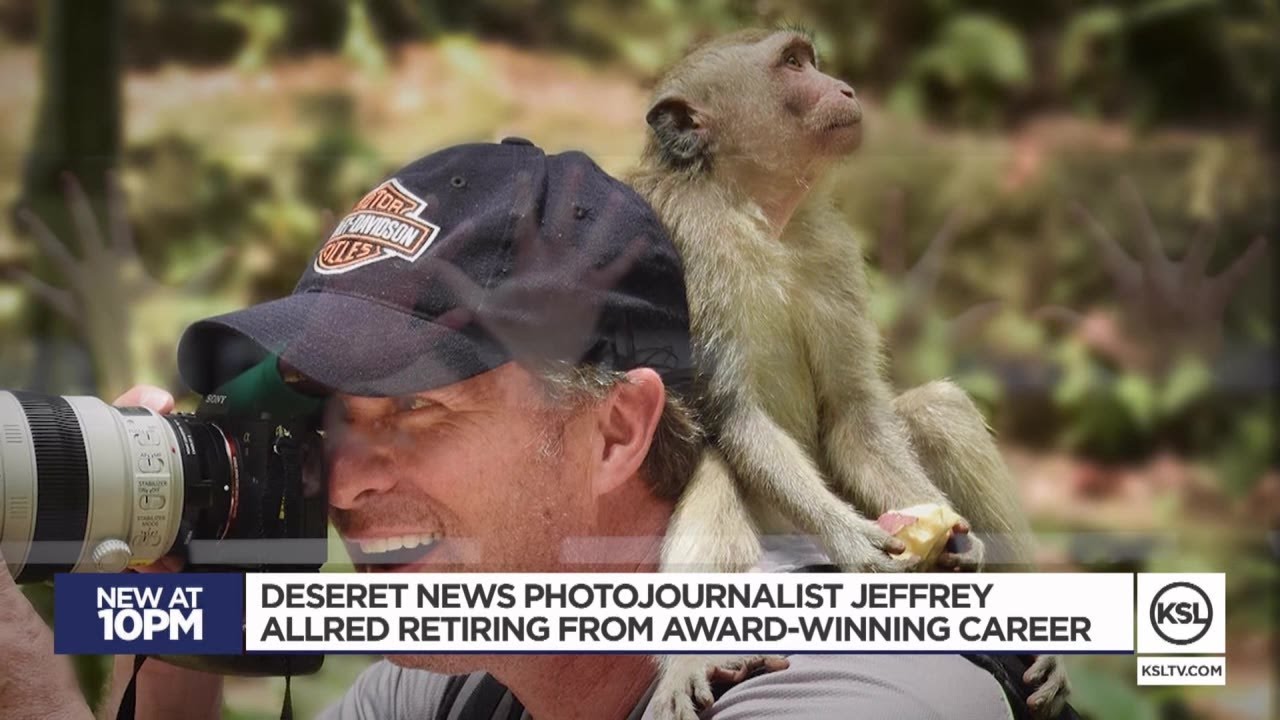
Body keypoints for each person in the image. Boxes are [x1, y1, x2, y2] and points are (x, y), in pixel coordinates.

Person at [0, 139, 1018, 720]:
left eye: (413, 409)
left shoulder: (850, 690)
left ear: (617, 430)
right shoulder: (462, 681)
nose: (342, 483)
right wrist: (176, 614)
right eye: (332, 415)